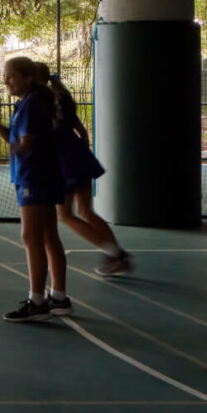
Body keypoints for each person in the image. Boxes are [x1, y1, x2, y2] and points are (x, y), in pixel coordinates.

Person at [2, 57, 69, 322]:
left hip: (34, 177)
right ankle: (59, 298)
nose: (6, 80)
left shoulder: (31, 104)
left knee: (31, 237)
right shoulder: (28, 103)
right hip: (40, 175)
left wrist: (17, 148)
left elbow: (26, 143)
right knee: (48, 236)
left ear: (28, 78)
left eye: (11, 75)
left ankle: (37, 300)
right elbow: (19, 138)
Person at [46, 73, 132, 277]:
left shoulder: (43, 106)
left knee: (65, 215)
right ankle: (116, 255)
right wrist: (80, 156)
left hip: (65, 164)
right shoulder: (63, 104)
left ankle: (114, 253)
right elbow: (83, 133)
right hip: (81, 159)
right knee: (86, 210)